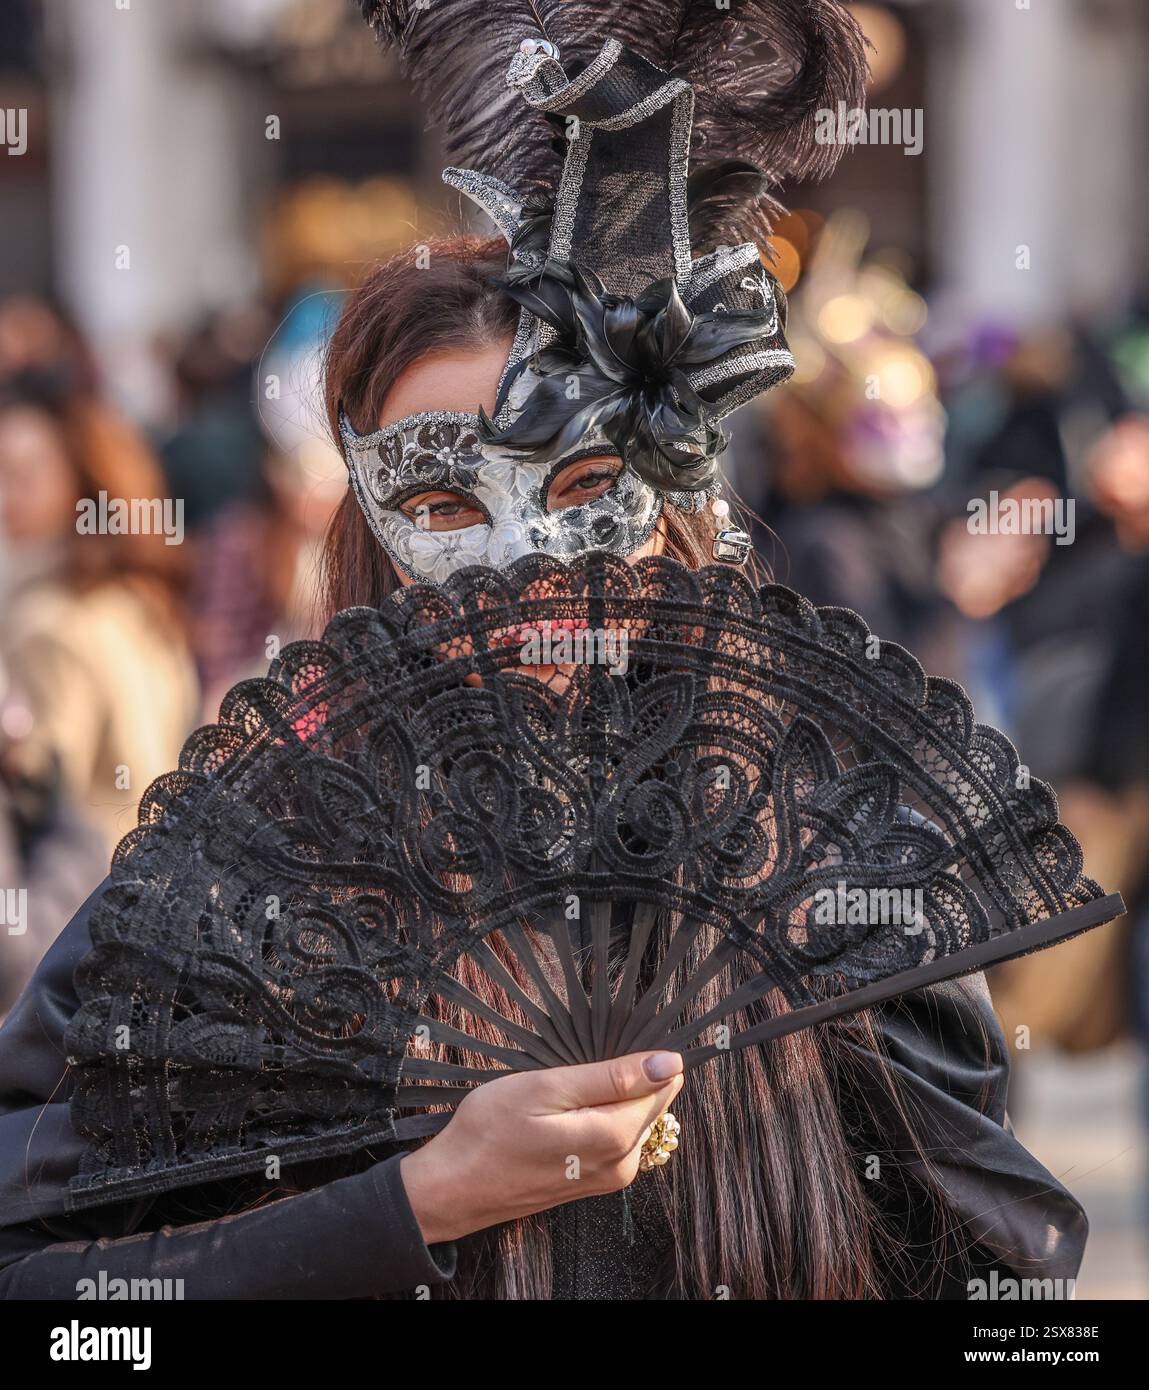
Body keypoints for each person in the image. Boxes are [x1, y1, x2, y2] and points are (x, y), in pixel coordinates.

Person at [0, 3, 1099, 1300]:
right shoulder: (242, 891)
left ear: (670, 510)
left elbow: (1003, 1291)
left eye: (580, 486)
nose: (526, 564)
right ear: (371, 519)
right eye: (452, 502)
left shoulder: (830, 872)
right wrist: (413, 1203)